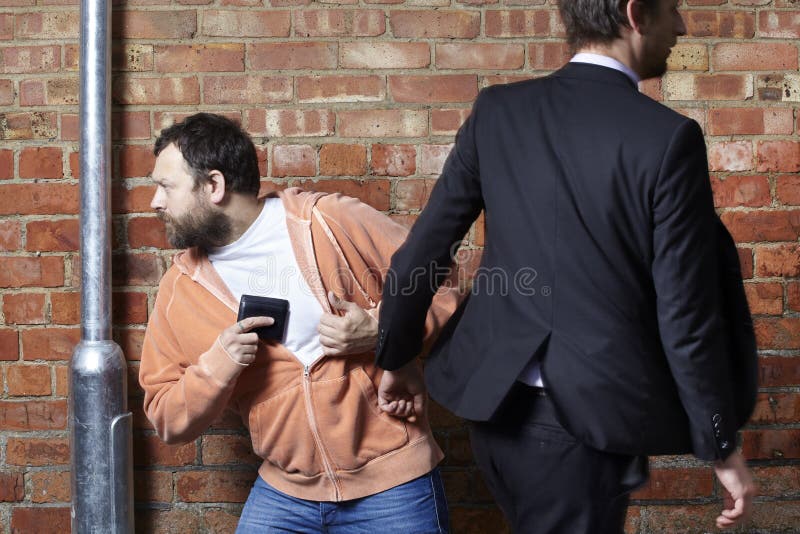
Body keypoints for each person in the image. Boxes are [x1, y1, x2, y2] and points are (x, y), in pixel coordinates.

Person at [373, 0, 758, 532]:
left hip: (493, 411)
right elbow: (685, 314)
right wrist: (720, 444)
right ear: (635, 13)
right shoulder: (667, 138)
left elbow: (422, 254)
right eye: (671, 9)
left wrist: (395, 358)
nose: (681, 25)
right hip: (579, 429)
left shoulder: (498, 111)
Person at [138, 113, 458, 533]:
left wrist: (381, 330)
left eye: (166, 186)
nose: (155, 202)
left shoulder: (328, 221)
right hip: (284, 493)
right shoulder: (180, 288)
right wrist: (217, 366)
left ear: (213, 186)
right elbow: (167, 418)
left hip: (392, 483)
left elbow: (442, 285)